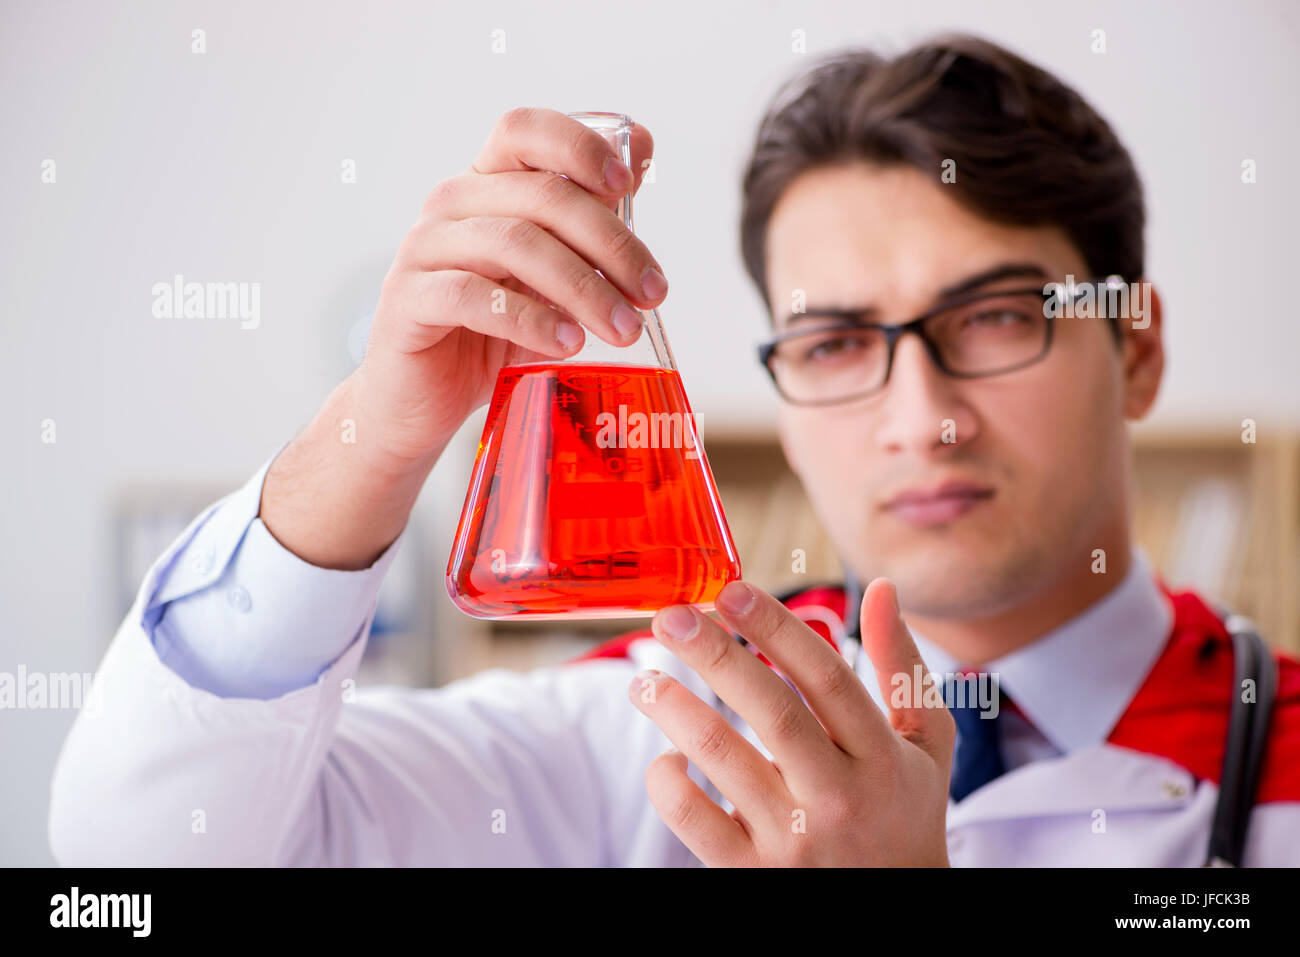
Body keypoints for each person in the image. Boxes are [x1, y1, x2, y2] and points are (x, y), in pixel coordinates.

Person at [49, 33, 1299, 867]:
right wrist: (380, 428)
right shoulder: (648, 719)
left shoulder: (1276, 761)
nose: (921, 415)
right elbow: (146, 846)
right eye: (834, 343)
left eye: (996, 319)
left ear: (1134, 348)